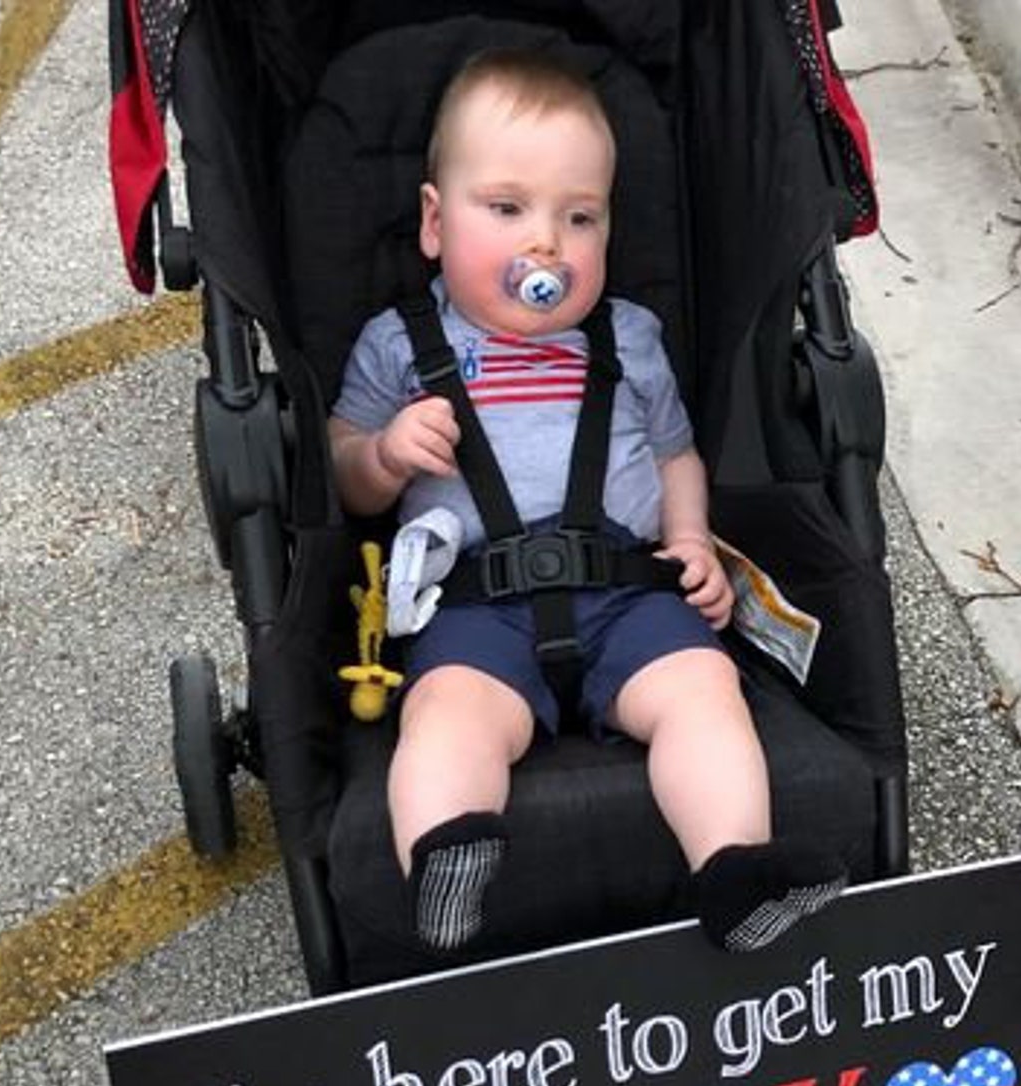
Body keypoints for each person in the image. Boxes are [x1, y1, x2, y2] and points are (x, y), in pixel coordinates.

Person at [330, 48, 845, 953]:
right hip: (475, 606)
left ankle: (734, 869)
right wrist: (383, 453)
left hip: (628, 590)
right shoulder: (400, 345)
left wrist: (690, 537)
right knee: (446, 712)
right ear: (434, 224)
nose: (546, 246)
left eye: (580, 217)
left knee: (703, 690)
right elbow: (341, 471)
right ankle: (446, 858)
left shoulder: (629, 339)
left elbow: (677, 453)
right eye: (507, 209)